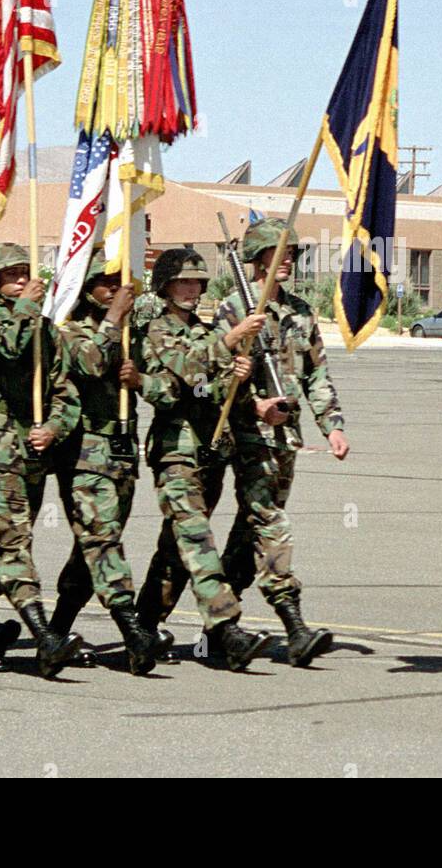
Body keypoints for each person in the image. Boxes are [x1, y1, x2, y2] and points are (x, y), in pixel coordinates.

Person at [131, 248, 275, 670]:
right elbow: (182, 378)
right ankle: (225, 627)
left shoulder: (202, 330)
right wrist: (227, 343)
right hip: (176, 452)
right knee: (196, 539)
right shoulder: (156, 330)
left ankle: (142, 628)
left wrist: (237, 375)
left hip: (209, 451)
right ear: (166, 287)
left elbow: (209, 390)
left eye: (197, 282)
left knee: (175, 550)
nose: (192, 289)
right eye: (184, 282)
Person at [214, 218, 347, 667]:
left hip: (286, 438)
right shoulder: (233, 310)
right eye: (278, 252)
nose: (288, 259)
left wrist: (333, 425)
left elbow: (317, 375)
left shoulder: (301, 313)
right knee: (271, 526)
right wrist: (254, 408)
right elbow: (216, 378)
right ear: (256, 260)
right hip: (249, 437)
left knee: (248, 533)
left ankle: (221, 626)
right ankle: (295, 626)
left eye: (292, 252)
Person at [0, 242, 84, 677]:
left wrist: (53, 427)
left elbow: (65, 390)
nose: (22, 281)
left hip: (31, 454)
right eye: (11, 275)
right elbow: (7, 348)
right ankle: (44, 636)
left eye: (25, 273)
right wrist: (28, 308)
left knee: (4, 546)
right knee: (10, 544)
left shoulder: (45, 328)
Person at [50, 253, 159, 675]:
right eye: (104, 281)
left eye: (120, 280)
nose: (114, 288)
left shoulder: (131, 331)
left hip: (121, 452)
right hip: (82, 454)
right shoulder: (67, 329)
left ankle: (55, 633)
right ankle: (132, 630)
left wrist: (140, 378)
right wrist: (114, 317)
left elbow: (163, 377)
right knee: (102, 541)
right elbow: (89, 363)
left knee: (91, 548)